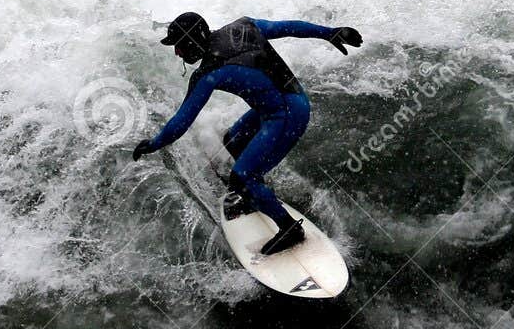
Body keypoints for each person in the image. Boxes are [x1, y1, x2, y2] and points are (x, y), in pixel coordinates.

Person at [133, 13, 363, 255]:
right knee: (233, 140)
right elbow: (287, 27)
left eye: (179, 45)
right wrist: (329, 32)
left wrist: (154, 143)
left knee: (241, 178)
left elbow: (183, 120)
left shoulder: (209, 73)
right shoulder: (243, 27)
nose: (177, 52)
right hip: (277, 107)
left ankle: (289, 229)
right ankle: (255, 194)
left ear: (192, 41)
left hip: (287, 114)